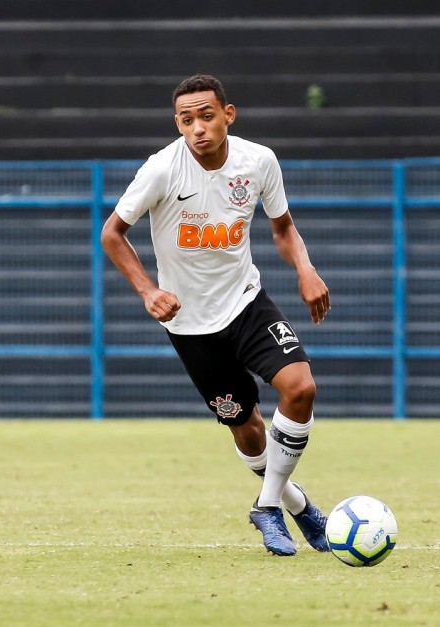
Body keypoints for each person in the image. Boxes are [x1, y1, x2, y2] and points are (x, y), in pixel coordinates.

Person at [101, 74, 332, 557]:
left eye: (206, 116)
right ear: (177, 124)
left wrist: (306, 270)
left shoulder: (259, 161)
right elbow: (112, 234)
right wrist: (147, 290)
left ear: (229, 114)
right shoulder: (161, 169)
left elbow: (284, 227)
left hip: (247, 304)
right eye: (186, 120)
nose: (197, 128)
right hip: (189, 325)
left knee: (301, 388)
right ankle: (298, 506)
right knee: (247, 428)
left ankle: (266, 506)